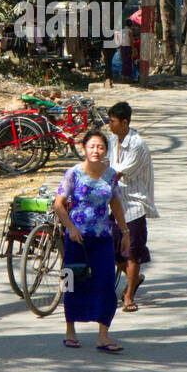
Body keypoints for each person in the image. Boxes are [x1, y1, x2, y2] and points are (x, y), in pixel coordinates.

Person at [54, 130, 129, 353]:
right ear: (84, 149)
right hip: (76, 239)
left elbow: (115, 203)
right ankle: (70, 330)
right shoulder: (73, 174)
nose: (96, 151)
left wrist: (124, 232)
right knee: (72, 283)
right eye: (92, 147)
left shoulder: (111, 175)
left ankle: (103, 336)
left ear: (106, 150)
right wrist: (71, 228)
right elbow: (59, 204)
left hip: (102, 238)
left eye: (100, 147)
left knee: (106, 285)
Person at [105, 102, 158, 313]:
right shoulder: (111, 140)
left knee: (131, 253)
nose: (109, 125)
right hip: (116, 203)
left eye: (112, 121)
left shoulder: (137, 145)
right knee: (112, 251)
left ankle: (128, 296)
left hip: (134, 205)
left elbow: (116, 172)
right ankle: (134, 277)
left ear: (124, 122)